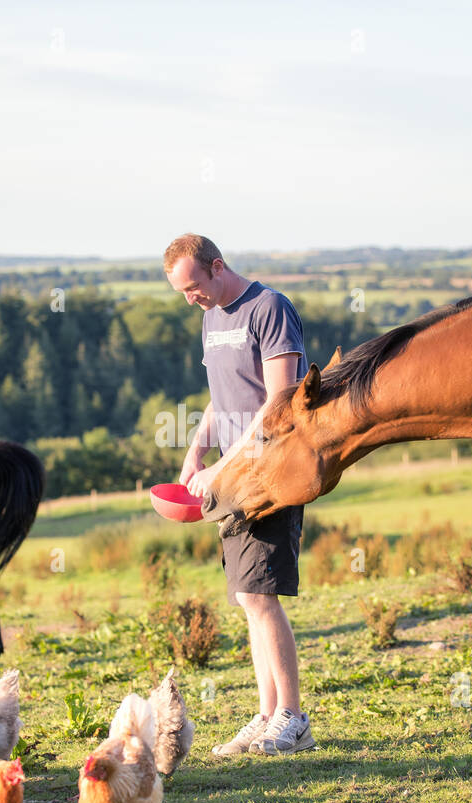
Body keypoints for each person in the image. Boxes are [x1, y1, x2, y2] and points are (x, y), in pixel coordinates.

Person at [163, 233, 315, 756]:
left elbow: (279, 402)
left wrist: (224, 465)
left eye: (194, 288)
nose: (191, 300)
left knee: (259, 594)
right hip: (231, 478)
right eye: (182, 293)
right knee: (248, 599)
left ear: (217, 266)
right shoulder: (212, 317)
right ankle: (267, 713)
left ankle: (292, 718)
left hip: (271, 472)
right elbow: (219, 398)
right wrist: (196, 452)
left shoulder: (268, 308)